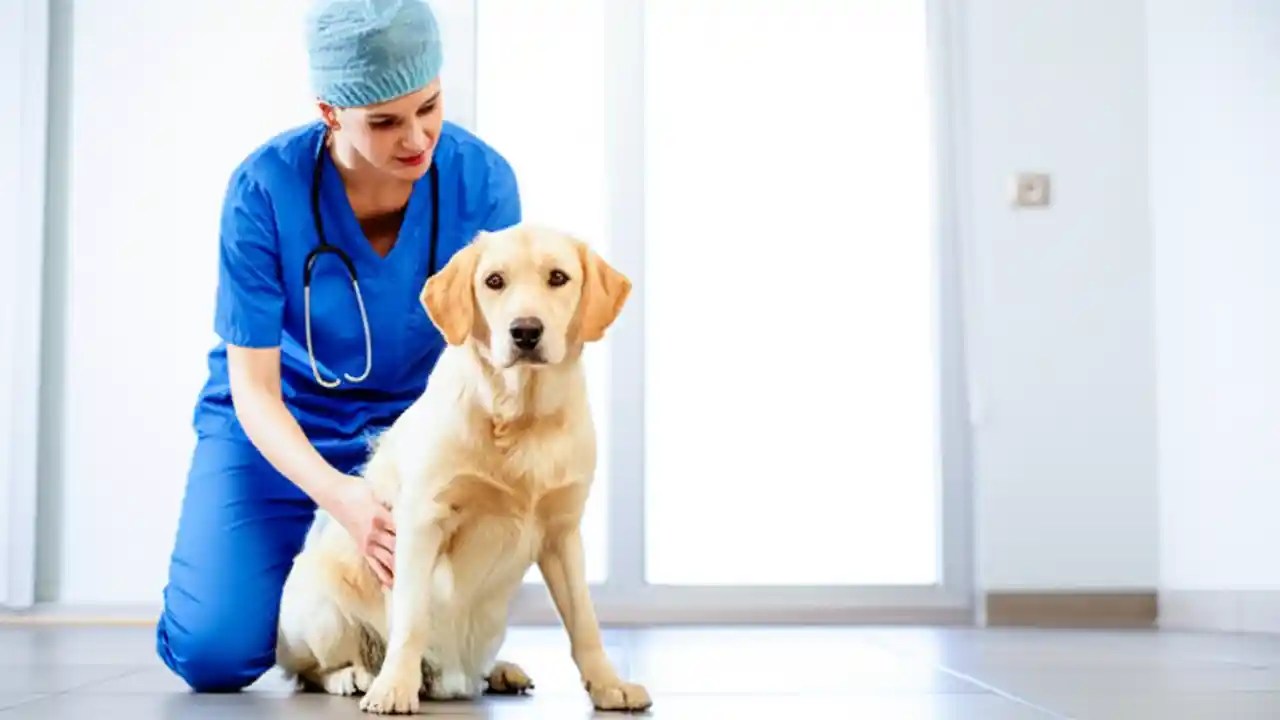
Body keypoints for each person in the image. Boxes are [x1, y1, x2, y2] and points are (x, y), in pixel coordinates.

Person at [154, 0, 521, 692]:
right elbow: (253, 389)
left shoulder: (483, 182)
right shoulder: (264, 190)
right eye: (384, 121)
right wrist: (343, 500)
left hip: (416, 429)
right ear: (330, 113)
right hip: (282, 419)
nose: (416, 137)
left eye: (429, 107)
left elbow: (486, 355)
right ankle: (299, 614)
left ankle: (443, 646)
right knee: (213, 652)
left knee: (438, 621)